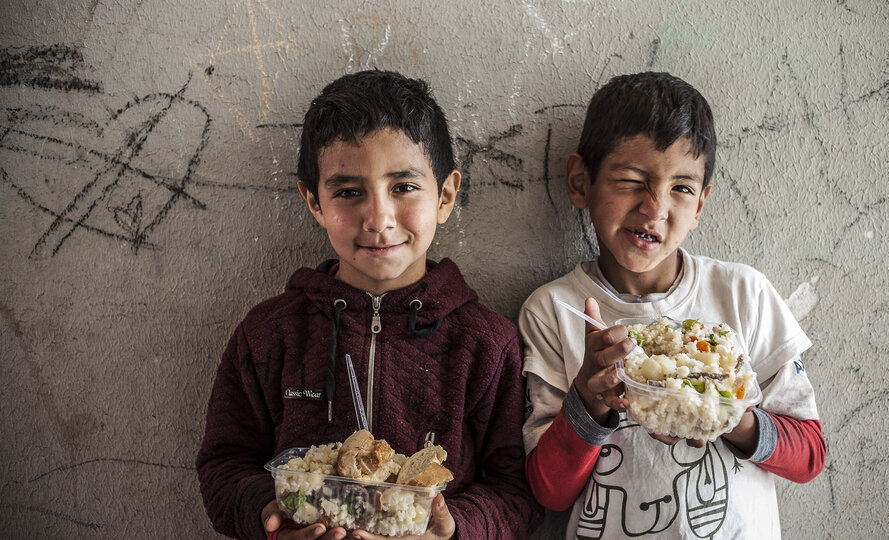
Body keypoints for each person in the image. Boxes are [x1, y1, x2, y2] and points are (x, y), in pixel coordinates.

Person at [197, 70, 542, 540]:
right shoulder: (270, 334)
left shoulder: (485, 343)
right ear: (314, 201)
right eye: (348, 192)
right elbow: (224, 463)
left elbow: (515, 492)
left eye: (403, 187)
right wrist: (268, 517)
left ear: (444, 195)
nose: (378, 219)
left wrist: (454, 529)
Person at [520, 72, 825, 539]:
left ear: (701, 204)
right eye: (630, 180)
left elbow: (809, 455)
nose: (655, 207)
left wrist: (729, 415)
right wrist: (588, 397)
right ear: (580, 182)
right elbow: (548, 492)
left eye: (681, 188)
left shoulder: (743, 294)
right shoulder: (556, 311)